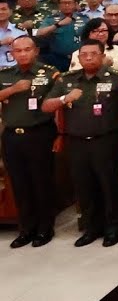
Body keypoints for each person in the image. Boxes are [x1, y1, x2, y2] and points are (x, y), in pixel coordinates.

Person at [44, 38, 118, 247]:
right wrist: (65, 98)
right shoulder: (67, 80)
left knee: (109, 184)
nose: (89, 58)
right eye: (84, 55)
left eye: (93, 54)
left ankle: (113, 227)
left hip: (107, 139)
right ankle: (91, 227)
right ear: (79, 57)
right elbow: (47, 106)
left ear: (102, 56)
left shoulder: (116, 79)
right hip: (76, 141)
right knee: (83, 185)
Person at [0, 36, 63, 247]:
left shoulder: (49, 73)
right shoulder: (5, 75)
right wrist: (12, 89)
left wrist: (60, 134)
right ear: (12, 53)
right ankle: (26, 229)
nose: (23, 54)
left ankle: (45, 229)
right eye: (18, 51)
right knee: (19, 184)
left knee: (41, 182)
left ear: (36, 51)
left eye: (27, 49)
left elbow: (58, 105)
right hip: (11, 136)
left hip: (40, 133)